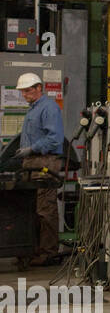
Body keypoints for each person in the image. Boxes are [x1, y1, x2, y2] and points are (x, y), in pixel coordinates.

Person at [14, 72, 64, 269]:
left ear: (38, 88)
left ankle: (48, 253)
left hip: (45, 162)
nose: (24, 95)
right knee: (33, 210)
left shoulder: (48, 108)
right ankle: (35, 249)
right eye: (22, 92)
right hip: (32, 163)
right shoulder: (33, 109)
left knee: (45, 209)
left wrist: (32, 149)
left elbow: (54, 138)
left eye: (27, 91)